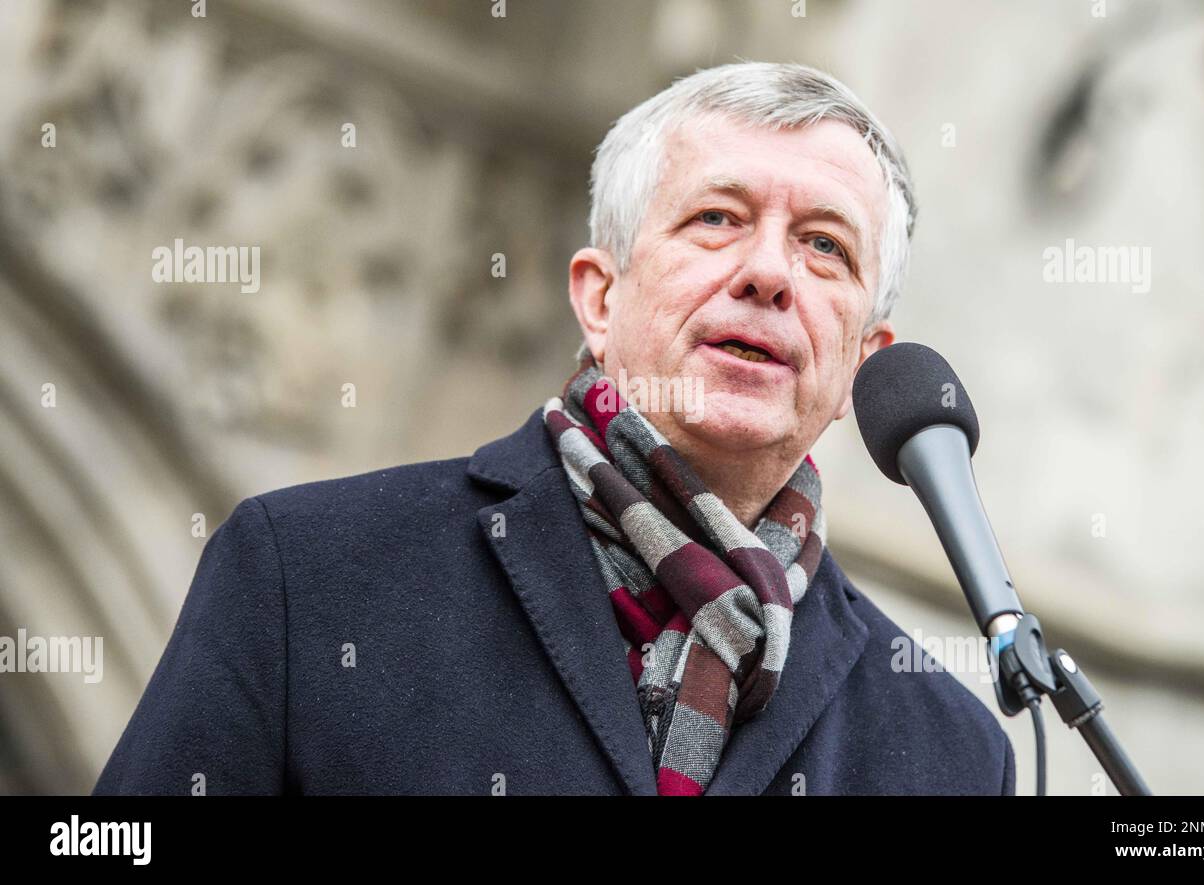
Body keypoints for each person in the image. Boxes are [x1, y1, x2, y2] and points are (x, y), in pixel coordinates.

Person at [94, 62, 1015, 796]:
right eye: (717, 218)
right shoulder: (308, 572)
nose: (770, 272)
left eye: (825, 246)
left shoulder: (949, 748)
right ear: (600, 298)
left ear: (865, 356)